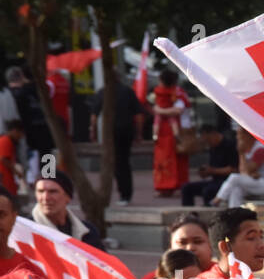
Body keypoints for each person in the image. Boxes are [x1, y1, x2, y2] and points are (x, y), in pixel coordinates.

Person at [89, 79, 145, 206]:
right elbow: (139, 114)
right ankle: (125, 194)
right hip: (126, 131)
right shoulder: (128, 92)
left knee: (117, 163)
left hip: (112, 133)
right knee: (123, 162)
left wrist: (93, 131)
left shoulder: (104, 92)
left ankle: (121, 193)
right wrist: (139, 133)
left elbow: (94, 115)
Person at [30, 171, 103, 250]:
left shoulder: (88, 233)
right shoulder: (25, 230)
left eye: (53, 191)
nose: (46, 197)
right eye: (40, 191)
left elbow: (102, 261)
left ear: (68, 197)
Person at [211, 125, 264, 207]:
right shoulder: (247, 149)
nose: (237, 137)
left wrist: (241, 153)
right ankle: (234, 214)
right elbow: (244, 172)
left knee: (234, 177)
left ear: (248, 135)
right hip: (256, 182)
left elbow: (246, 171)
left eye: (239, 134)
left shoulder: (260, 149)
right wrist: (250, 173)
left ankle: (217, 200)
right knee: (236, 189)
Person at [148, 69, 191, 197]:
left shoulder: (177, 94)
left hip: (175, 131)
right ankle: (165, 186)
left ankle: (177, 185)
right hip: (163, 130)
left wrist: (160, 111)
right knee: (164, 159)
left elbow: (178, 111)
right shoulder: (161, 93)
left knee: (177, 159)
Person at [181, 124, 238, 206]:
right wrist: (206, 172)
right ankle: (189, 213)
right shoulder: (213, 148)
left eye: (208, 140)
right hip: (215, 181)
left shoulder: (230, 145)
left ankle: (209, 211)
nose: (208, 143)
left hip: (227, 182)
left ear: (213, 134)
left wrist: (212, 171)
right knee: (186, 188)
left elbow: (233, 169)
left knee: (208, 191)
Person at [0, 119, 22, 195]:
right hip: (5, 179)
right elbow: (3, 159)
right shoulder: (6, 141)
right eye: (20, 133)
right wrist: (17, 173)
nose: (21, 137)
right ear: (15, 131)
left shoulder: (6, 140)